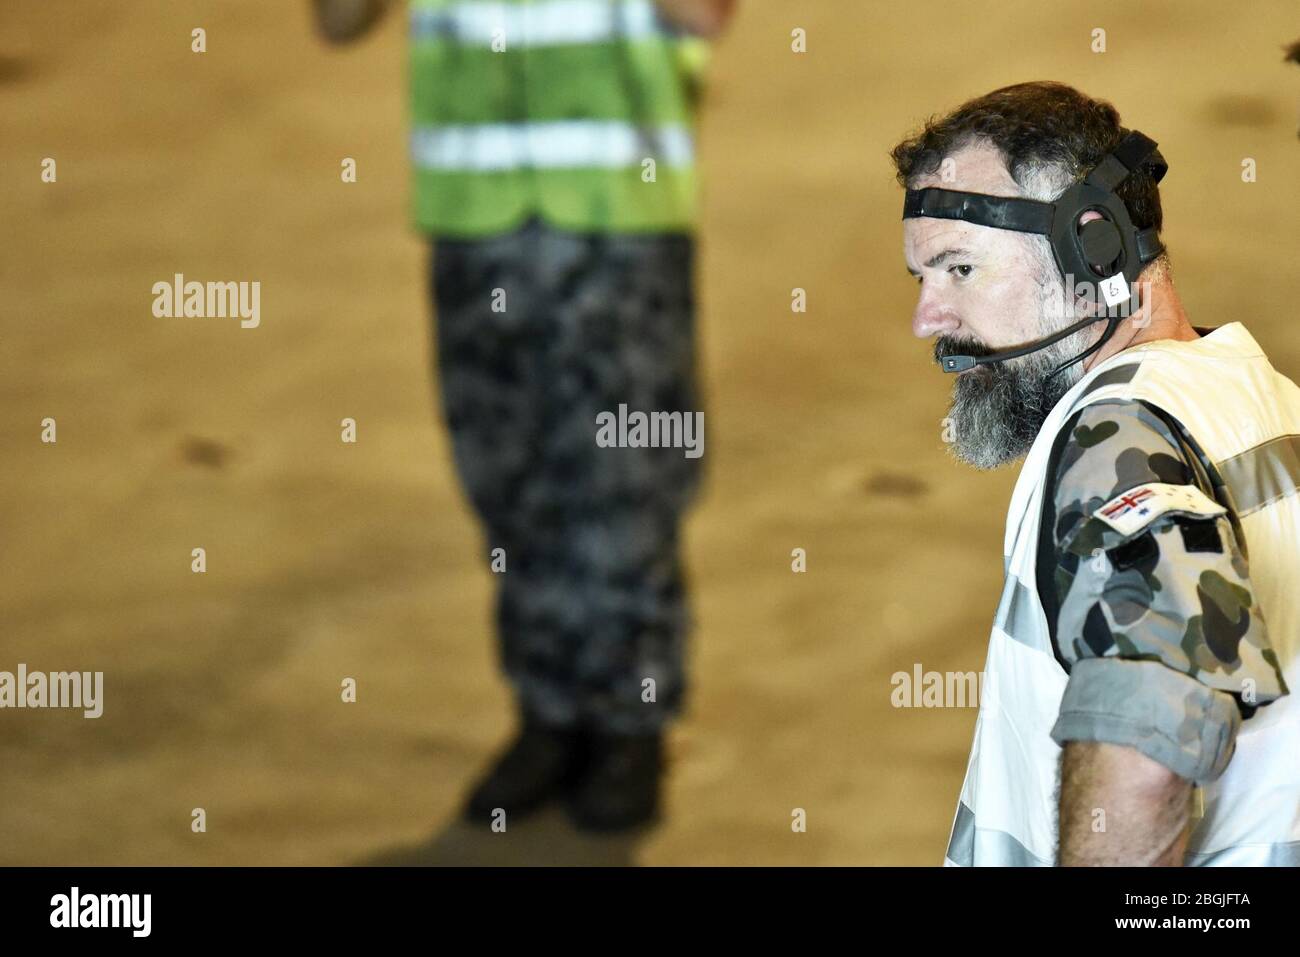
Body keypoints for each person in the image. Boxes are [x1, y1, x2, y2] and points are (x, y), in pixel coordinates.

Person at [312, 0, 734, 832]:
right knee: (506, 478)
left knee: (628, 485)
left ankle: (629, 722)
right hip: (474, 217)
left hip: (618, 212)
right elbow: (336, 20)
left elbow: (704, 15)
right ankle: (548, 710)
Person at [892, 81, 1300, 865]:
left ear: (1095, 248)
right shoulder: (1267, 402)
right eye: (923, 278)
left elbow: (1146, 756)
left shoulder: (1117, 437)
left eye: (960, 269)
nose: (926, 319)